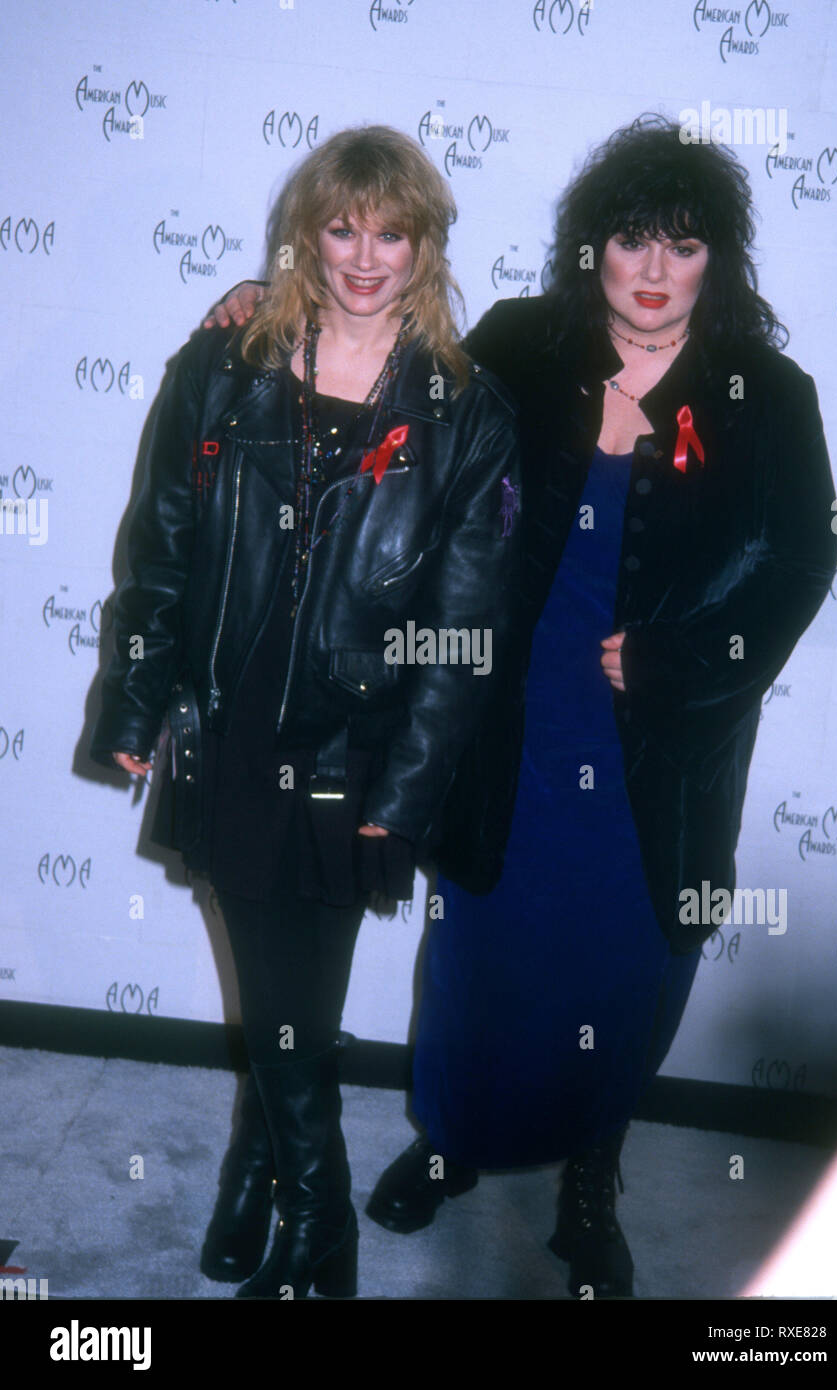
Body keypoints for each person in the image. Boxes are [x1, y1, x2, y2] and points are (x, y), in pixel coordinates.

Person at [203, 115, 837, 1298]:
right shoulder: (520, 344)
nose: (652, 273)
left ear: (718, 260)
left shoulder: (769, 391)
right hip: (510, 722)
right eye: (628, 242)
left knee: (621, 966)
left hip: (657, 738)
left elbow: (800, 564)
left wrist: (679, 661)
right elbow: (387, 359)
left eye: (682, 247)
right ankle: (449, 1142)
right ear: (588, 247)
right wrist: (271, 293)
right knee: (480, 955)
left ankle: (589, 1181)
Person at [89, 124, 522, 1300]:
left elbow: (460, 634)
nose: (365, 255)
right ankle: (278, 1185)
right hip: (224, 724)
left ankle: (299, 1205)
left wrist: (407, 791)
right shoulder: (226, 365)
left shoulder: (464, 412)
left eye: (392, 231)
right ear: (308, 231)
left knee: (298, 1000)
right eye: (343, 226)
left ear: (425, 244)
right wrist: (134, 693)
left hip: (353, 750)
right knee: (269, 986)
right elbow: (162, 549)